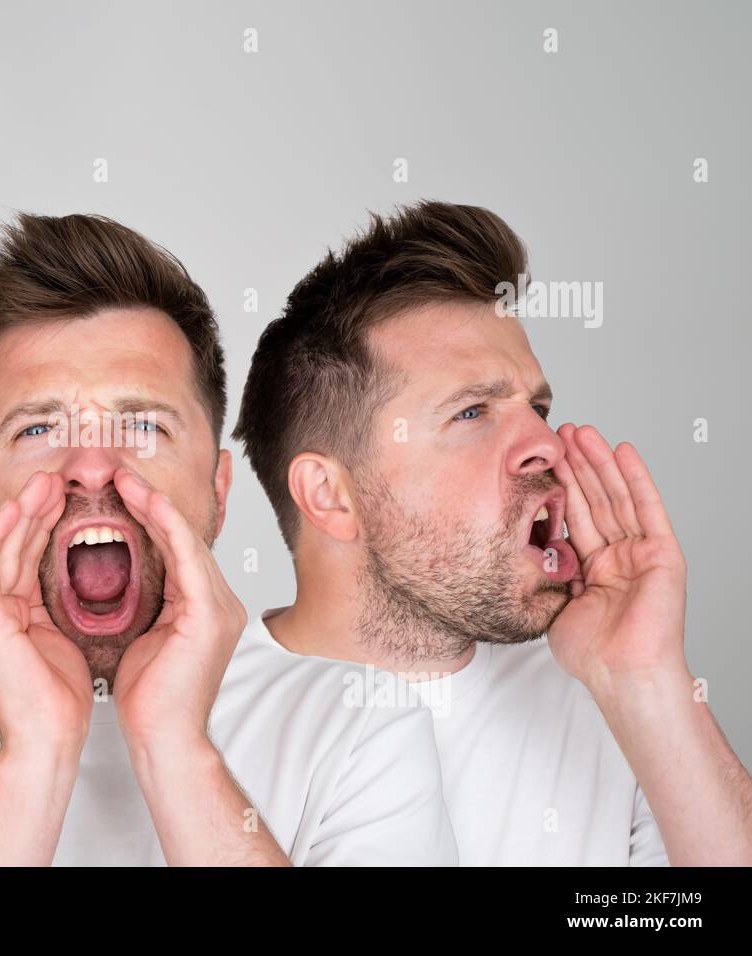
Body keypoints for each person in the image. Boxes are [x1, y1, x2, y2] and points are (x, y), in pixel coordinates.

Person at [0, 212, 457, 866]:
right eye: (38, 430)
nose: (91, 467)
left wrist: (173, 745)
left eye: (143, 427)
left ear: (218, 492)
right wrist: (35, 756)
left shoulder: (362, 730)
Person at [233, 200, 752, 865]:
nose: (545, 444)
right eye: (472, 411)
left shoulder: (606, 696)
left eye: (536, 408)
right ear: (331, 496)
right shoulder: (185, 726)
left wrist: (648, 680)